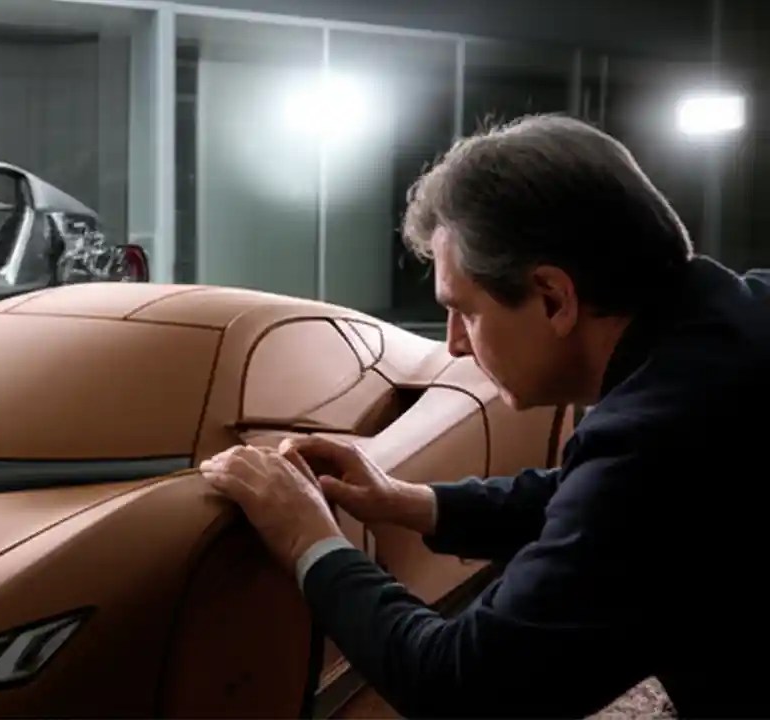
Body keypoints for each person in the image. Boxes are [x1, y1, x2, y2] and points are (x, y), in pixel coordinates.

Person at [199, 114, 770, 718]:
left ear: (553, 298)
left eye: (464, 311)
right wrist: (409, 501)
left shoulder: (656, 442)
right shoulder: (735, 326)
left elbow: (462, 685)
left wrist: (307, 540)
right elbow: (609, 509)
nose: (454, 344)